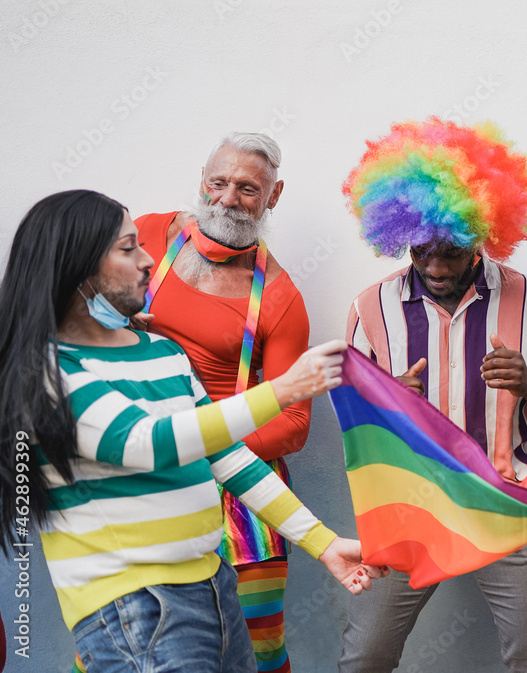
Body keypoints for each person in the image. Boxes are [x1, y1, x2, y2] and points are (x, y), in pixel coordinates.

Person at [0, 190, 386, 672]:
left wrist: (324, 543)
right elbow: (150, 441)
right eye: (127, 248)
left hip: (214, 587)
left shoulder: (161, 352)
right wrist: (282, 390)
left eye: (141, 244)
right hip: (134, 609)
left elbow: (226, 455)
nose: (147, 261)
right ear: (79, 268)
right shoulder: (46, 373)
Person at [338, 118, 527, 673]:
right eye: (423, 251)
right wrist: (384, 403)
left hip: (507, 502)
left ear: (484, 231)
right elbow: (352, 422)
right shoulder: (370, 307)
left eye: (453, 251)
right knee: (364, 658)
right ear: (401, 235)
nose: (438, 267)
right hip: (408, 504)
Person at [132, 132, 309, 673]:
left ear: (273, 197)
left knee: (255, 649)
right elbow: (71, 305)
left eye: (248, 189)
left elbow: (295, 423)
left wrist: (201, 440)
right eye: (219, 182)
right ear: (202, 181)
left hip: (239, 490)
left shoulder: (280, 299)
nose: (229, 198)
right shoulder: (144, 235)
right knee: (125, 636)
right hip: (140, 467)